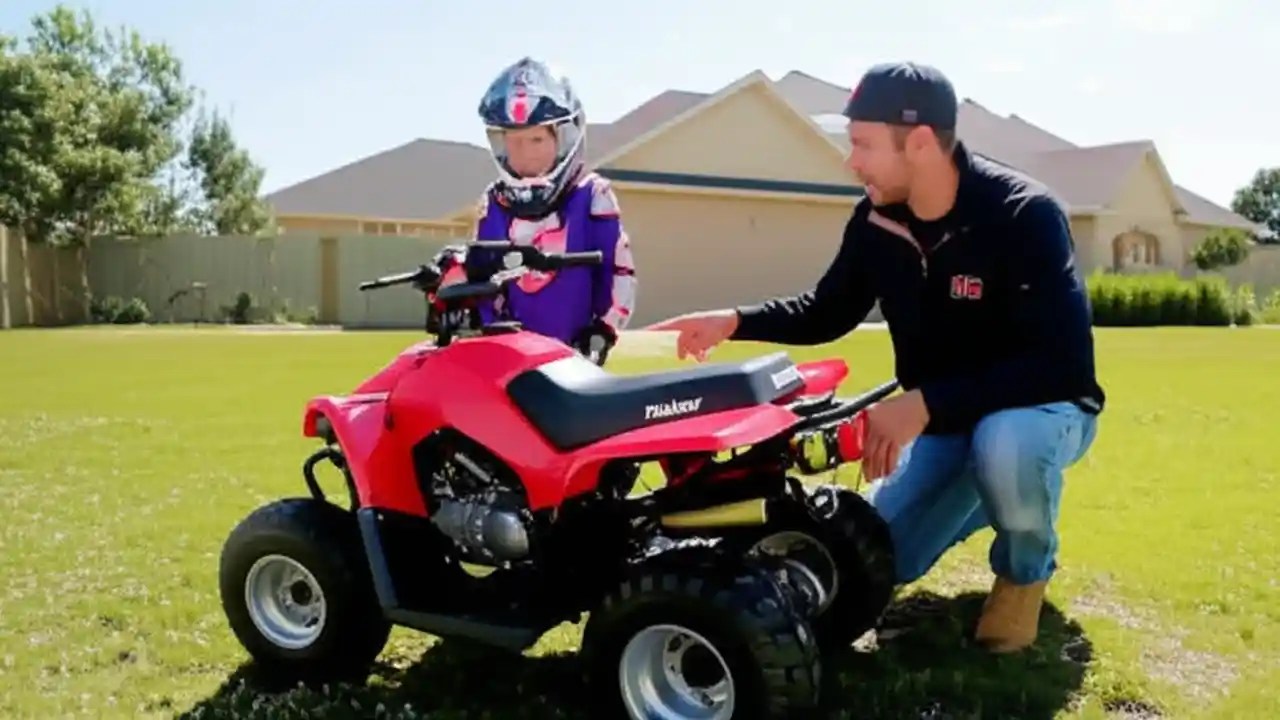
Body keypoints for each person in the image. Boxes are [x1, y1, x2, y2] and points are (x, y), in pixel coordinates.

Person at [647, 61, 1105, 653]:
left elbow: (1062, 366)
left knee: (1007, 446)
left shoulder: (1023, 213)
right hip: (944, 421)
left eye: (862, 143)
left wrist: (925, 402)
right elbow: (826, 311)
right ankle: (1000, 496)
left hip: (1042, 412)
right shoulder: (874, 219)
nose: (850, 160)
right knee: (885, 559)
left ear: (918, 143)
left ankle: (1024, 571)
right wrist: (735, 321)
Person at [450, 56, 637, 364]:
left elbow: (618, 271)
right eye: (514, 140)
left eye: (536, 139)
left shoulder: (592, 195)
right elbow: (482, 278)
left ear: (565, 138)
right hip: (507, 361)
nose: (524, 153)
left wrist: (604, 329)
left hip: (574, 361)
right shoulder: (494, 203)